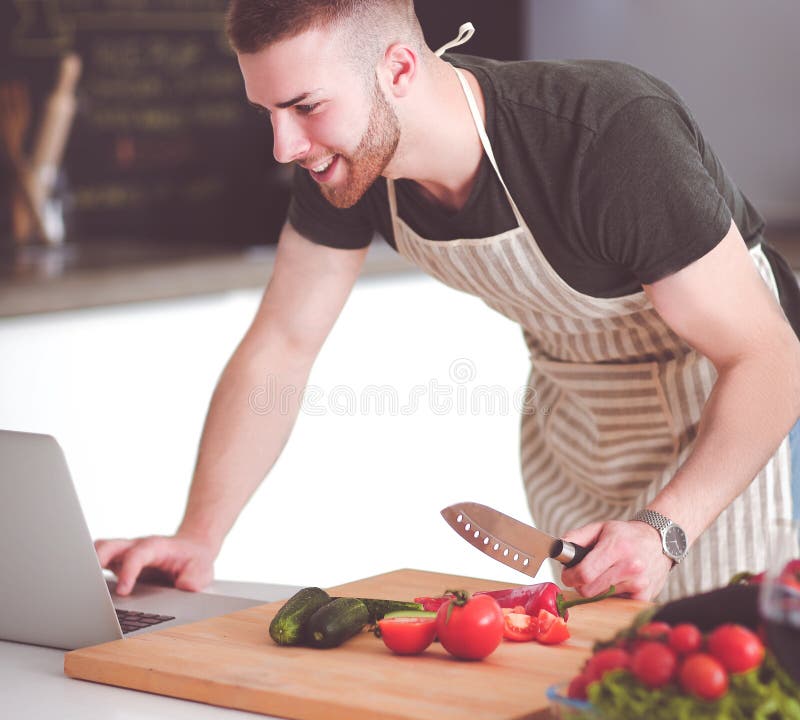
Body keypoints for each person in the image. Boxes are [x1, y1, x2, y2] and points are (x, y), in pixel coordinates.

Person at [95, 0, 800, 603]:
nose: (285, 146)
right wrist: (198, 535)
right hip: (584, 438)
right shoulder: (345, 166)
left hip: (744, 429)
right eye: (268, 112)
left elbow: (769, 357)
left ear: (399, 69)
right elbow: (282, 342)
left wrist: (665, 525)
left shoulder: (606, 136)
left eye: (305, 106)